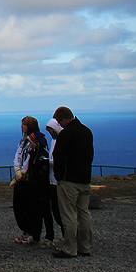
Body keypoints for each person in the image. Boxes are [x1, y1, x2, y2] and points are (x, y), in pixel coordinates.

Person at [50, 106, 94, 260]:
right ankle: (85, 247)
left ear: (64, 120)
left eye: (59, 122)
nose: (59, 124)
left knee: (69, 215)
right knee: (84, 213)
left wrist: (59, 175)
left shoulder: (66, 134)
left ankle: (70, 248)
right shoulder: (86, 131)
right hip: (84, 179)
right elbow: (90, 154)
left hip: (69, 180)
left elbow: (59, 156)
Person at [11, 116, 49, 246]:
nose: (22, 126)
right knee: (19, 207)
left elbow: (31, 158)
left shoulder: (35, 140)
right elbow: (18, 156)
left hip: (30, 180)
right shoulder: (22, 142)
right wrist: (17, 169)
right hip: (21, 179)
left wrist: (23, 171)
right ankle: (26, 230)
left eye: (25, 124)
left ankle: (33, 233)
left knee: (32, 208)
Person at [43, 118, 64, 247]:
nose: (51, 133)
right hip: (52, 179)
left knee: (60, 210)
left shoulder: (61, 141)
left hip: (58, 181)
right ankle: (65, 234)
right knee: (55, 210)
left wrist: (48, 162)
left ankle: (67, 234)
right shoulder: (54, 141)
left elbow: (60, 159)